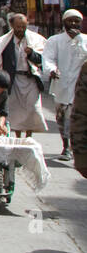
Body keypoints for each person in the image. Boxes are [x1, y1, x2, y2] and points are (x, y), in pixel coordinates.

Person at [0, 13, 47, 138]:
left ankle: (29, 137)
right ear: (12, 25)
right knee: (15, 111)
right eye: (18, 27)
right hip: (13, 80)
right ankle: (18, 137)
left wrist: (31, 53)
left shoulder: (36, 40)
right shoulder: (4, 42)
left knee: (32, 108)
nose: (21, 30)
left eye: (23, 27)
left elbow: (43, 59)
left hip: (30, 79)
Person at [44, 9, 87, 159]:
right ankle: (66, 146)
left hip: (80, 87)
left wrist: (80, 41)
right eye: (71, 20)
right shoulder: (55, 40)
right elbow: (48, 58)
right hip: (61, 85)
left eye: (77, 21)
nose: (74, 24)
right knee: (62, 118)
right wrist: (52, 70)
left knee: (79, 118)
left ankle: (78, 149)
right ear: (64, 22)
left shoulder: (85, 41)